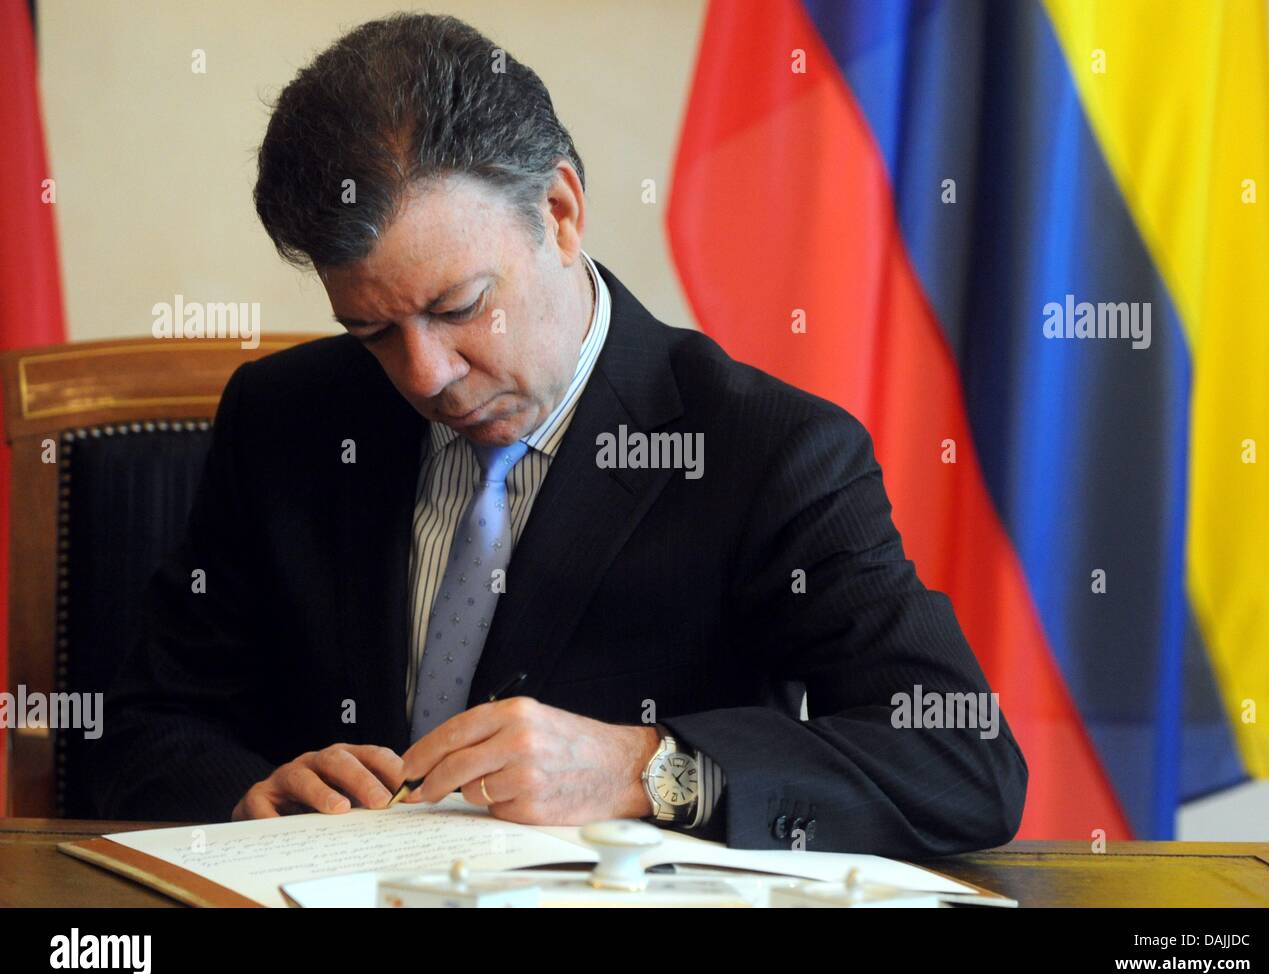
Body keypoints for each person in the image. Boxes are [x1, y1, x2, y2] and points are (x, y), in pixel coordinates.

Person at [94, 12, 1027, 857]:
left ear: (562, 212)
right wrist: (249, 792)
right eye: (372, 331)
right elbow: (149, 728)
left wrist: (652, 771)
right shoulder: (283, 417)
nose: (425, 376)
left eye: (459, 307)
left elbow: (962, 764)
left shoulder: (770, 452)